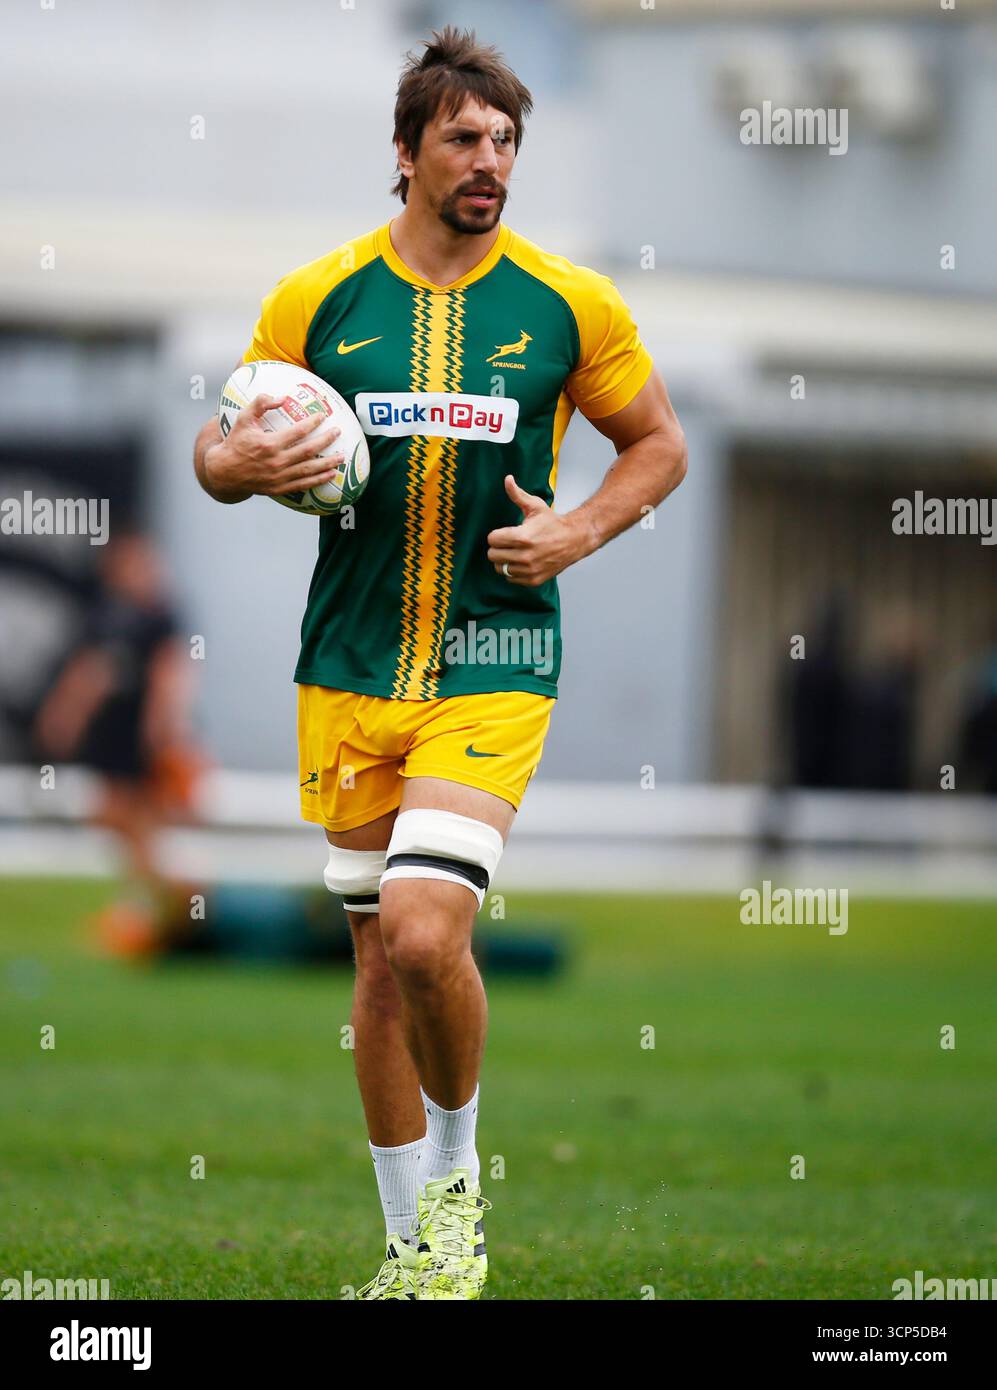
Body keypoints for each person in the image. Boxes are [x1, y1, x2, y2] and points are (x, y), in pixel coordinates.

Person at [192, 26, 687, 1300]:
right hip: (348, 664)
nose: (490, 161)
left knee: (422, 931)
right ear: (405, 152)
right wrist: (232, 465)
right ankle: (418, 1253)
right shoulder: (316, 299)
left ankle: (462, 1194)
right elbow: (224, 444)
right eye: (464, 138)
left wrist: (576, 528)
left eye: (507, 140)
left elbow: (658, 447)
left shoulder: (570, 302)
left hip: (495, 656)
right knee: (371, 959)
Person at [33, 532, 201, 954]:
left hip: (137, 741)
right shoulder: (109, 617)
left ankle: (172, 903)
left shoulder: (157, 617)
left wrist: (165, 730)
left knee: (132, 823)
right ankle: (153, 904)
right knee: (122, 823)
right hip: (115, 737)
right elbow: (88, 674)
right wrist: (65, 716)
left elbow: (171, 674)